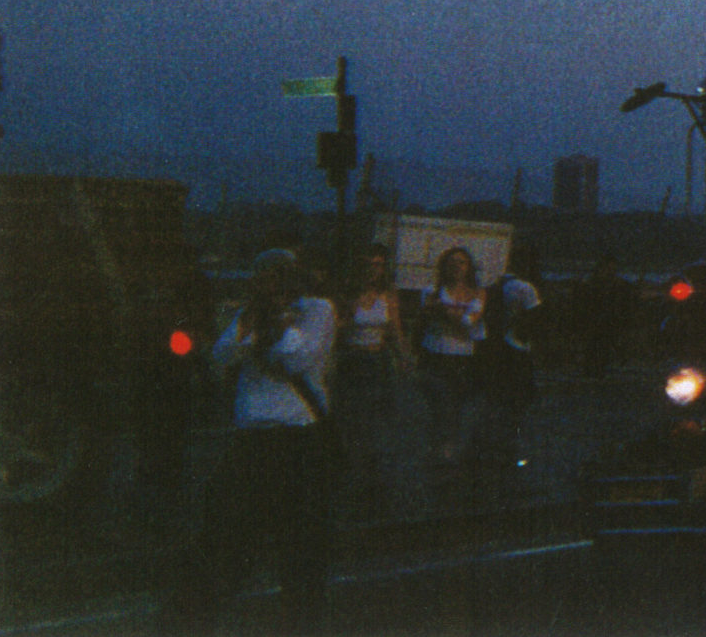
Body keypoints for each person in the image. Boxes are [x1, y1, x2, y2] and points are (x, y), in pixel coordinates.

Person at [173, 248, 338, 633]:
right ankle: (203, 612)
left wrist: (280, 322)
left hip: (297, 437)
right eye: (263, 276)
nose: (270, 284)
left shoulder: (317, 310)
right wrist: (251, 320)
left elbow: (300, 359)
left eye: (278, 276)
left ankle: (301, 619)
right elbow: (221, 355)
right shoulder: (253, 311)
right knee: (224, 527)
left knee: (300, 538)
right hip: (252, 438)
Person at [334, 243, 410, 499]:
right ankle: (353, 468)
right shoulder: (347, 294)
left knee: (378, 415)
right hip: (352, 359)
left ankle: (373, 471)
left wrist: (403, 357)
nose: (372, 270)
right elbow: (335, 329)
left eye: (378, 265)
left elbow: (395, 329)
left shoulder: (388, 294)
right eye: (368, 265)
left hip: (378, 359)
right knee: (354, 415)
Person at [472, 245, 544, 472]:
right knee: (518, 401)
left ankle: (486, 445)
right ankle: (509, 445)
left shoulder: (498, 285)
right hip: (517, 348)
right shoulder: (525, 288)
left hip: (496, 347)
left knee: (495, 398)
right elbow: (534, 319)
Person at [416, 246, 485, 468]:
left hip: (462, 356)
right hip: (436, 354)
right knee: (437, 404)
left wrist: (445, 312)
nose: (457, 266)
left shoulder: (478, 293)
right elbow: (429, 316)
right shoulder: (432, 290)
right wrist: (457, 315)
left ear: (469, 267)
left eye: (462, 262)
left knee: (457, 404)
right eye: (452, 262)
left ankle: (449, 450)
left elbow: (470, 322)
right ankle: (435, 448)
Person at [572, 254, 637, 378]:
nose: (610, 272)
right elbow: (581, 304)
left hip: (610, 322)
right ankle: (593, 370)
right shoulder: (590, 285)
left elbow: (628, 304)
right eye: (608, 269)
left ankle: (599, 370)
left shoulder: (620, 285)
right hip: (594, 322)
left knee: (603, 348)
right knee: (594, 348)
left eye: (613, 269)